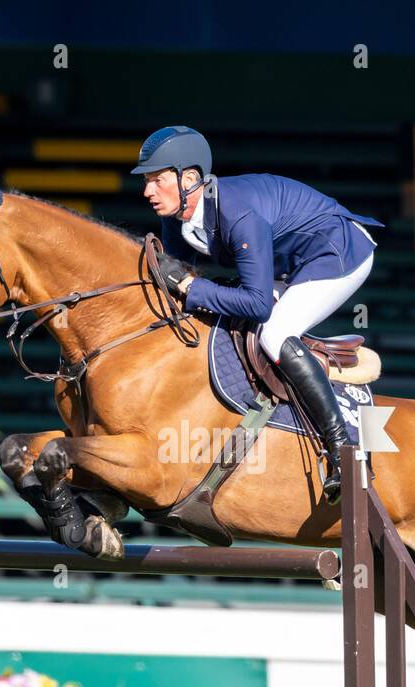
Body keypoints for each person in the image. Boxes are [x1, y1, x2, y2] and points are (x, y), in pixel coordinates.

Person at [134, 125, 382, 504]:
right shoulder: (176, 216)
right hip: (288, 262)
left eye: (157, 180)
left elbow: (256, 304)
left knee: (275, 332)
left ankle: (344, 452)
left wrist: (191, 288)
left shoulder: (238, 212)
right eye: (147, 181)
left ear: (189, 179)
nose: (147, 191)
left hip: (338, 252)